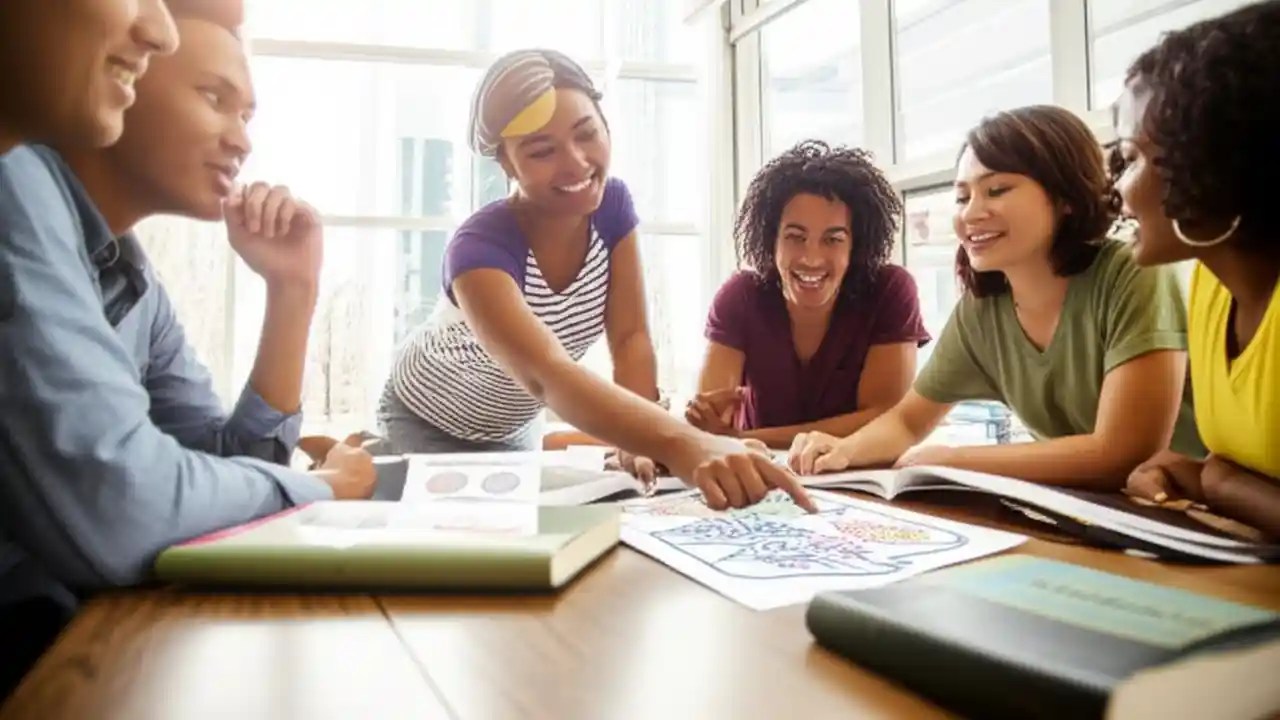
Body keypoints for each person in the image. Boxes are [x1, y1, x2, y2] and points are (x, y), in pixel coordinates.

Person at [0, 3, 373, 696]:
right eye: (214, 99)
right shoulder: (16, 175)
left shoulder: (133, 282)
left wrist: (292, 295)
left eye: (247, 115)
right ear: (130, 81)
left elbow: (224, 475)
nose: (242, 141)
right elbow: (125, 504)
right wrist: (323, 488)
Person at [381, 48, 811, 511]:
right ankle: (369, 458)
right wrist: (684, 442)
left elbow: (629, 338)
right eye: (542, 151)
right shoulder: (477, 248)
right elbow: (547, 375)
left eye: (587, 133)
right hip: (424, 418)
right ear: (506, 164)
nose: (575, 163)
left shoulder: (612, 207)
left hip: (512, 427)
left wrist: (643, 442)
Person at [789, 105, 1203, 487]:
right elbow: (906, 421)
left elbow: (1121, 451)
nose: (971, 213)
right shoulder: (982, 309)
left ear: (1066, 200)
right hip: (1101, 512)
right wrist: (842, 451)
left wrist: (953, 460)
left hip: (1202, 514)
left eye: (998, 189)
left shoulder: (1130, 273)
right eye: (963, 196)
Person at [1116, 1, 1280, 539]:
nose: (1119, 188)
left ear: (1211, 157)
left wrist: (1222, 484)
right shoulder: (1211, 284)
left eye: (1132, 158)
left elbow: (1228, 475)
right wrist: (1203, 474)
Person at [689, 140, 928, 449]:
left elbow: (885, 418)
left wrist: (746, 439)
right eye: (795, 237)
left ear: (856, 245)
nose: (811, 258)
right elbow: (712, 427)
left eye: (833, 239)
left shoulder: (890, 291)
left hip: (858, 478)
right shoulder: (741, 296)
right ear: (770, 240)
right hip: (761, 481)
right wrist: (703, 423)